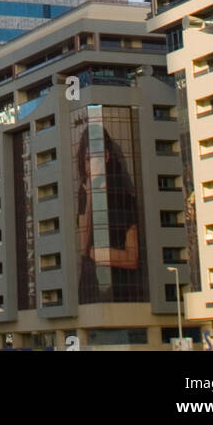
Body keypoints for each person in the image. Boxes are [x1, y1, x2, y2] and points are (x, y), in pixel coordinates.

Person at [76, 122, 144, 302]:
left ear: (106, 156)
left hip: (123, 292)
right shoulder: (84, 194)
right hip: (89, 290)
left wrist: (98, 254)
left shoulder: (124, 198)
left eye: (93, 158)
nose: (89, 166)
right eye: (86, 159)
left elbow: (132, 258)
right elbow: (83, 248)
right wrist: (89, 198)